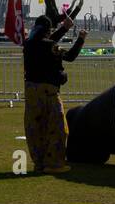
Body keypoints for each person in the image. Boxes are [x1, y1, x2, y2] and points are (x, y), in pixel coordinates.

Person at [22, 14, 86, 173]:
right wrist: (81, 39)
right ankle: (54, 164)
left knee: (35, 128)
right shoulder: (50, 46)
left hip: (31, 92)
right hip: (49, 92)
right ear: (48, 29)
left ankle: (39, 163)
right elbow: (70, 56)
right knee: (57, 128)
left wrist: (64, 28)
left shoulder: (28, 44)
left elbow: (47, 41)